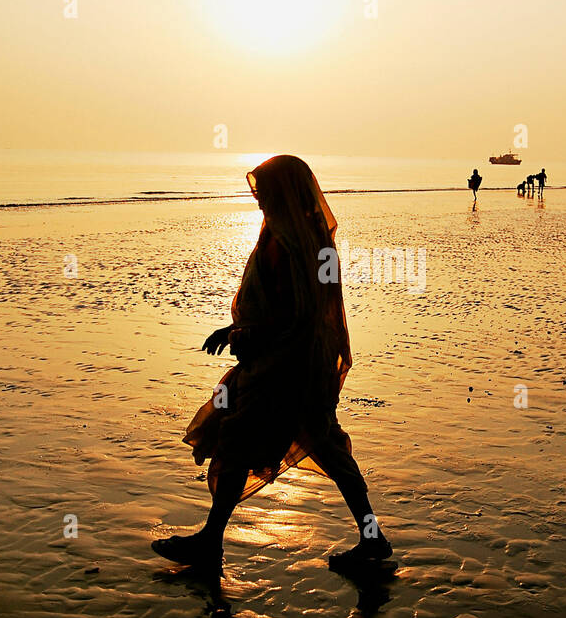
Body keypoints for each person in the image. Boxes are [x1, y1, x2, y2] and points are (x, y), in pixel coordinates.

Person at [152, 155, 391, 574]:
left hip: (283, 369)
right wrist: (236, 331)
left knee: (237, 443)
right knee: (328, 449)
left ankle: (210, 542)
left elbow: (290, 314)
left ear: (281, 193)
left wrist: (239, 335)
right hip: (302, 363)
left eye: (265, 192)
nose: (259, 200)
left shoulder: (286, 243)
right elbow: (301, 312)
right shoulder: (310, 239)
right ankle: (372, 539)